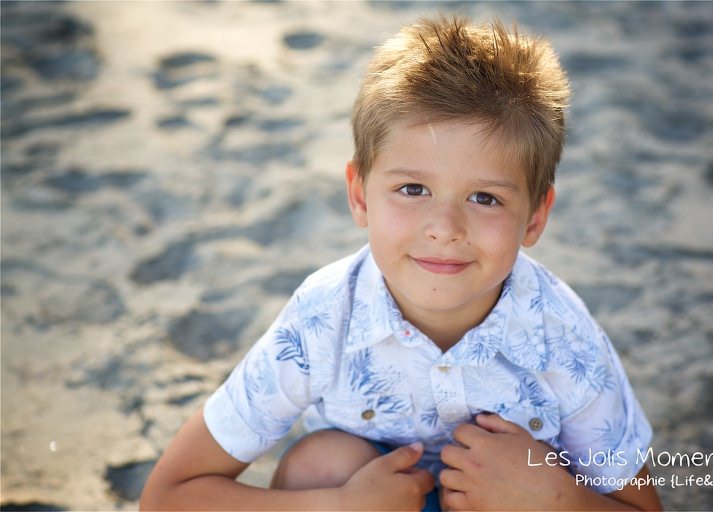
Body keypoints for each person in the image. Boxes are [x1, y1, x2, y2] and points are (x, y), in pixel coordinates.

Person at [141, 15, 663, 511]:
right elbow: (169, 496)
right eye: (412, 189)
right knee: (323, 462)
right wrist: (337, 505)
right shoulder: (323, 318)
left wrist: (555, 502)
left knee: (542, 475)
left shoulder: (564, 338)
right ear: (360, 195)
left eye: (484, 198)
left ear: (534, 217)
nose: (444, 227)